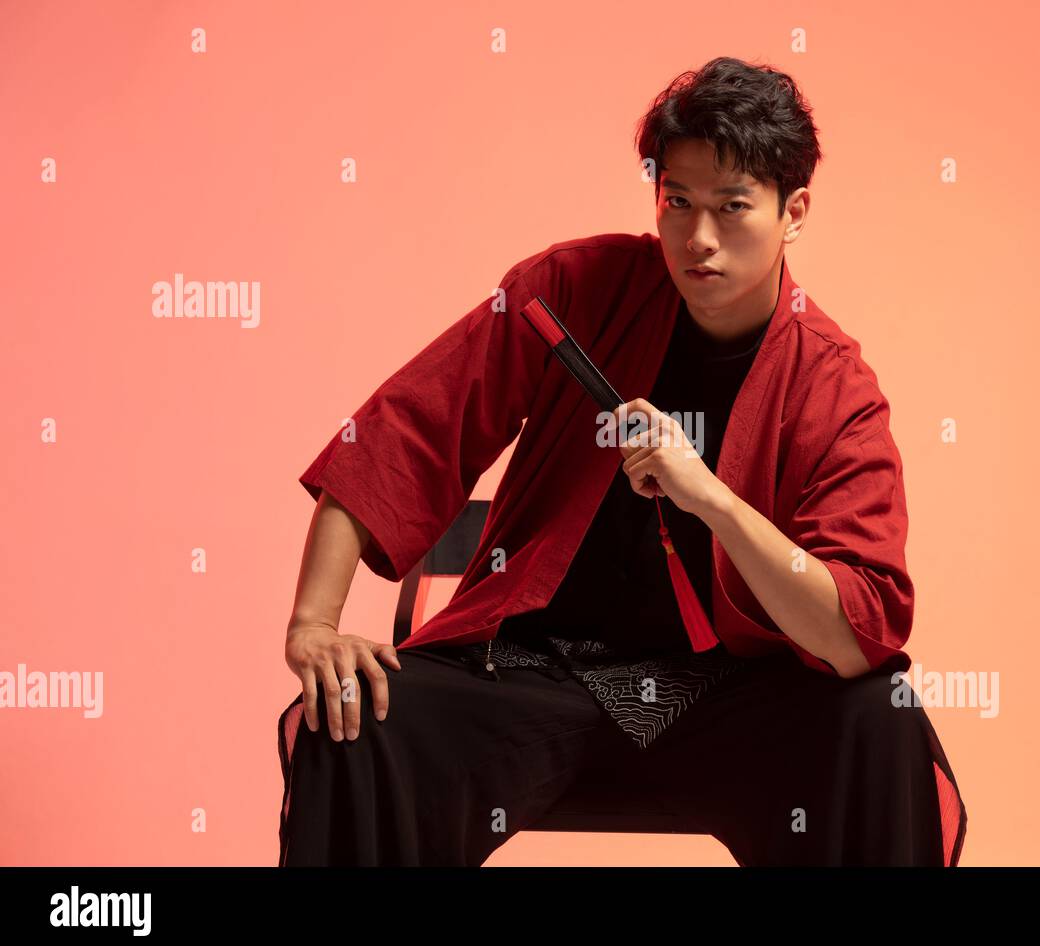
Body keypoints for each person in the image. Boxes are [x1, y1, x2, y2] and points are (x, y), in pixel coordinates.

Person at [277, 56, 967, 866]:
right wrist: (314, 624)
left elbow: (858, 632)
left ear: (795, 210)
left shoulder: (833, 384)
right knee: (355, 712)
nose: (698, 238)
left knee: (878, 718)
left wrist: (709, 498)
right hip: (535, 677)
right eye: (677, 203)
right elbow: (402, 435)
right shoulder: (571, 292)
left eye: (732, 206)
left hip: (735, 698)